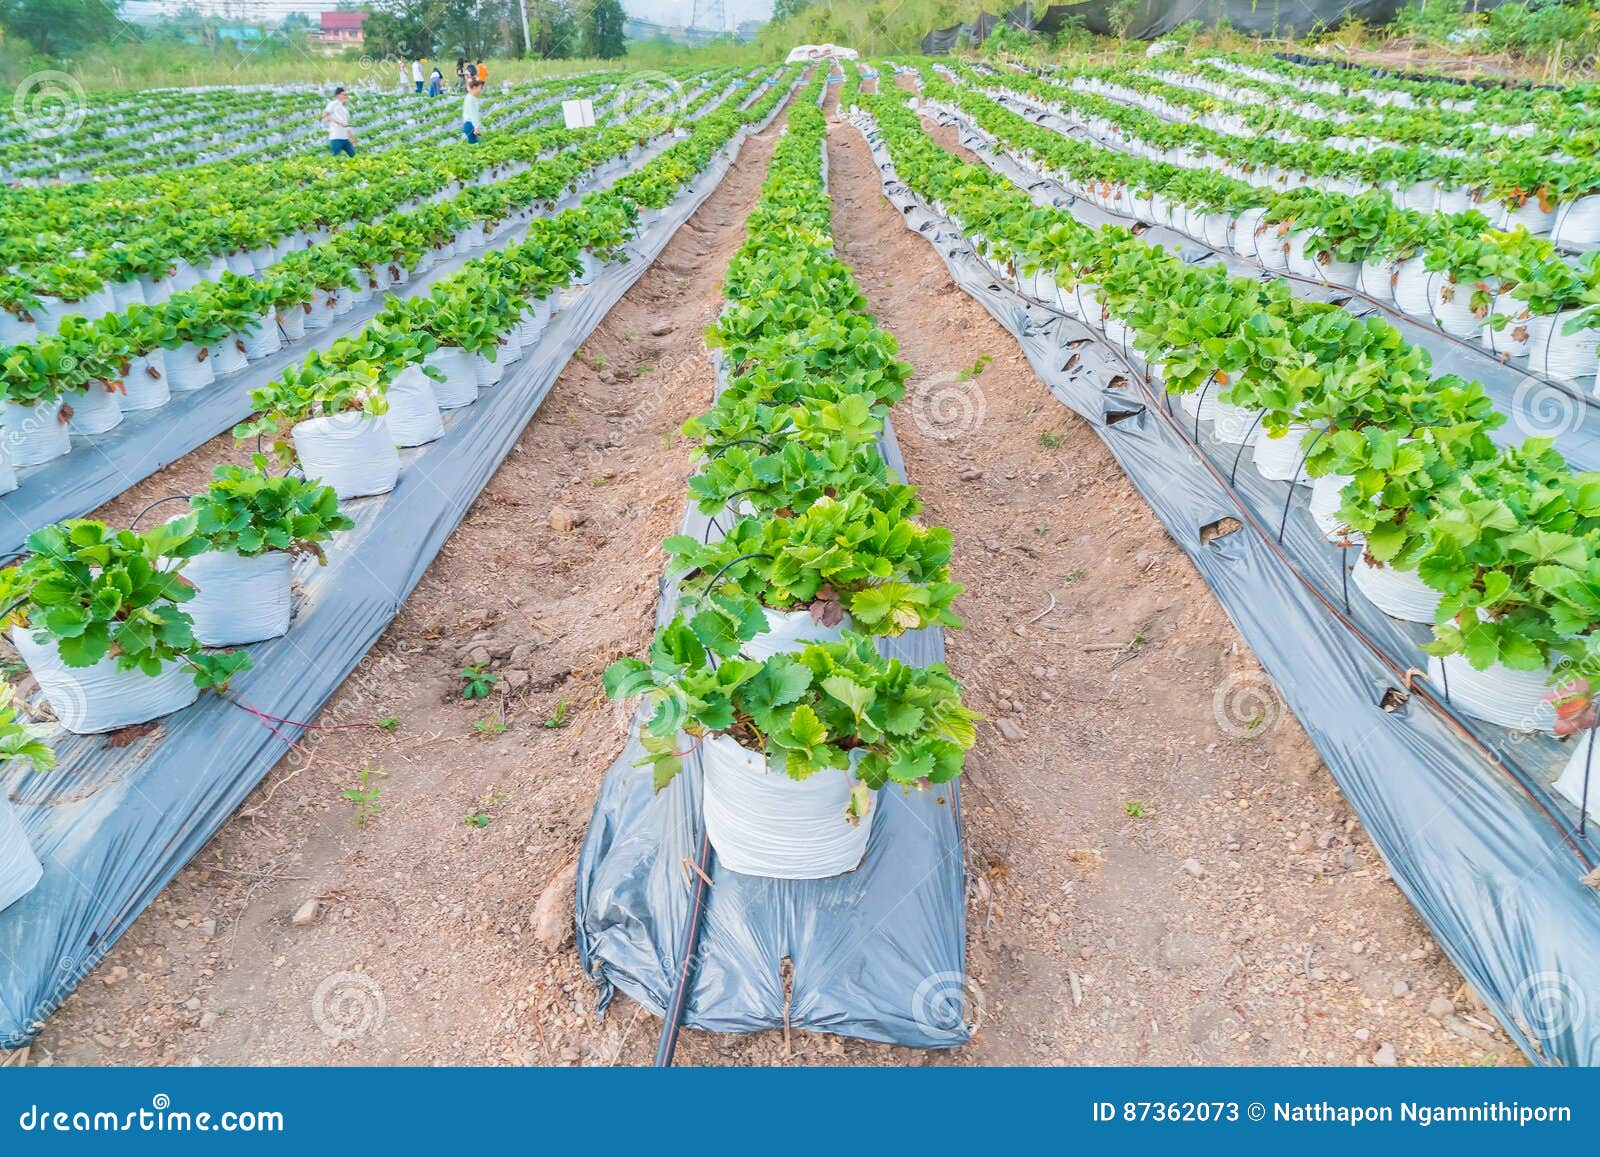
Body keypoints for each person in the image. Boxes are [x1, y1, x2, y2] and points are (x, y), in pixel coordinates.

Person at [321, 86, 354, 157]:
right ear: (338, 95)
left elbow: (346, 123)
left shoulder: (344, 108)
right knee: (336, 159)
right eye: (344, 94)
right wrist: (338, 123)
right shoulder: (333, 104)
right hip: (336, 137)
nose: (345, 96)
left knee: (354, 156)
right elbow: (324, 115)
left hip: (345, 138)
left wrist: (351, 136)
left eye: (346, 95)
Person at [461, 78, 484, 144]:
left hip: (469, 125)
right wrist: (476, 128)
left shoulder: (470, 97)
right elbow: (473, 114)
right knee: (474, 146)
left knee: (474, 145)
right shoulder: (470, 99)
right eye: (480, 88)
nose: (480, 90)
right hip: (470, 125)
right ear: (474, 87)